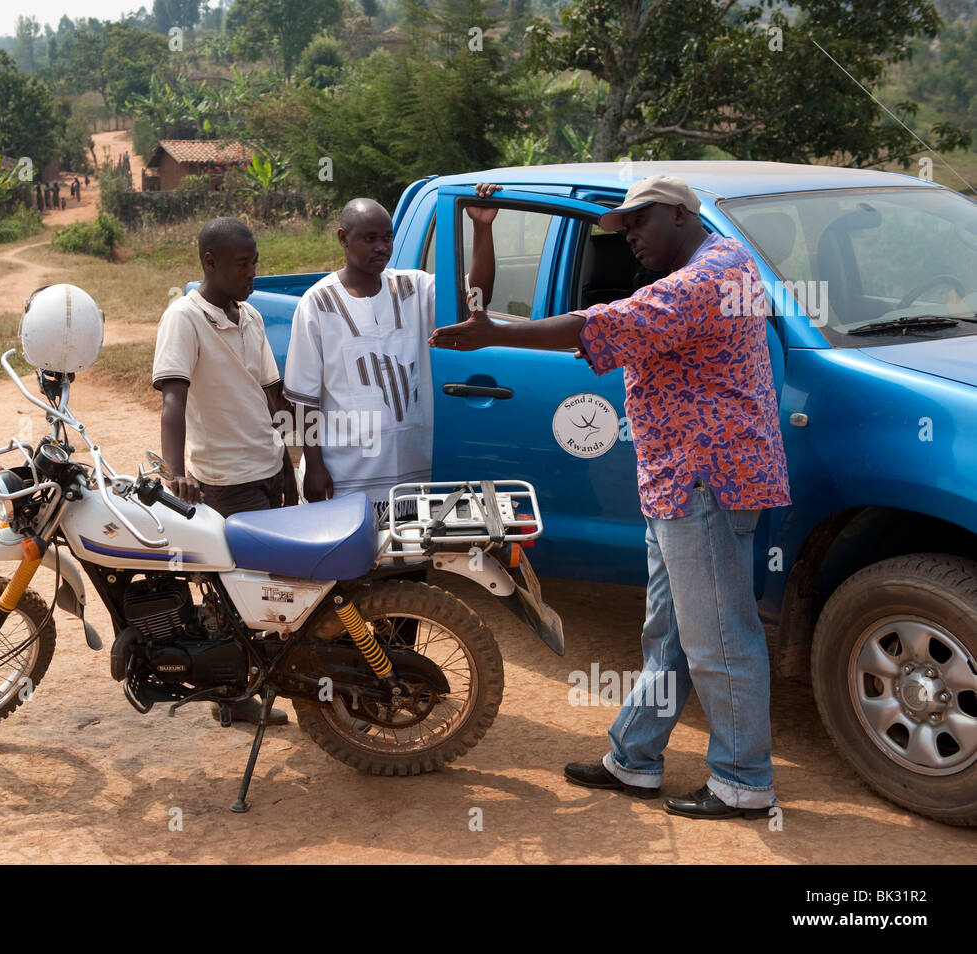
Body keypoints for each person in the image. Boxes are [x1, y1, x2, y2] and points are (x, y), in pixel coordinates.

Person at [431, 175, 791, 820]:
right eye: (624, 230)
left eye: (639, 224)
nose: (631, 239)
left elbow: (608, 323)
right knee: (673, 633)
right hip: (681, 481)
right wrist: (501, 320)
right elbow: (612, 331)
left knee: (719, 639)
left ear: (681, 215)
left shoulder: (706, 279)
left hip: (702, 479)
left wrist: (494, 334)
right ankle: (635, 758)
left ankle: (743, 780)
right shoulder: (714, 268)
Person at [151, 216, 297, 725]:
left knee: (266, 585)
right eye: (241, 264)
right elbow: (174, 399)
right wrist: (173, 473)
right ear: (209, 262)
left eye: (254, 262)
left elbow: (271, 393)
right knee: (244, 592)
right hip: (226, 481)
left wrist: (289, 462)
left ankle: (239, 690)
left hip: (268, 468)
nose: (251, 273)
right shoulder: (184, 318)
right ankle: (234, 695)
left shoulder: (250, 317)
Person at [283, 198, 495, 525]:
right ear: (343, 238)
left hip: (413, 465)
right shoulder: (318, 303)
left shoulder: (414, 287)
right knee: (350, 562)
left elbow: (478, 295)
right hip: (347, 471)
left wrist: (482, 227)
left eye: (387, 237)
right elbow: (304, 399)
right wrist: (314, 465)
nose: (382, 247)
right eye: (370, 239)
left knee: (408, 556)